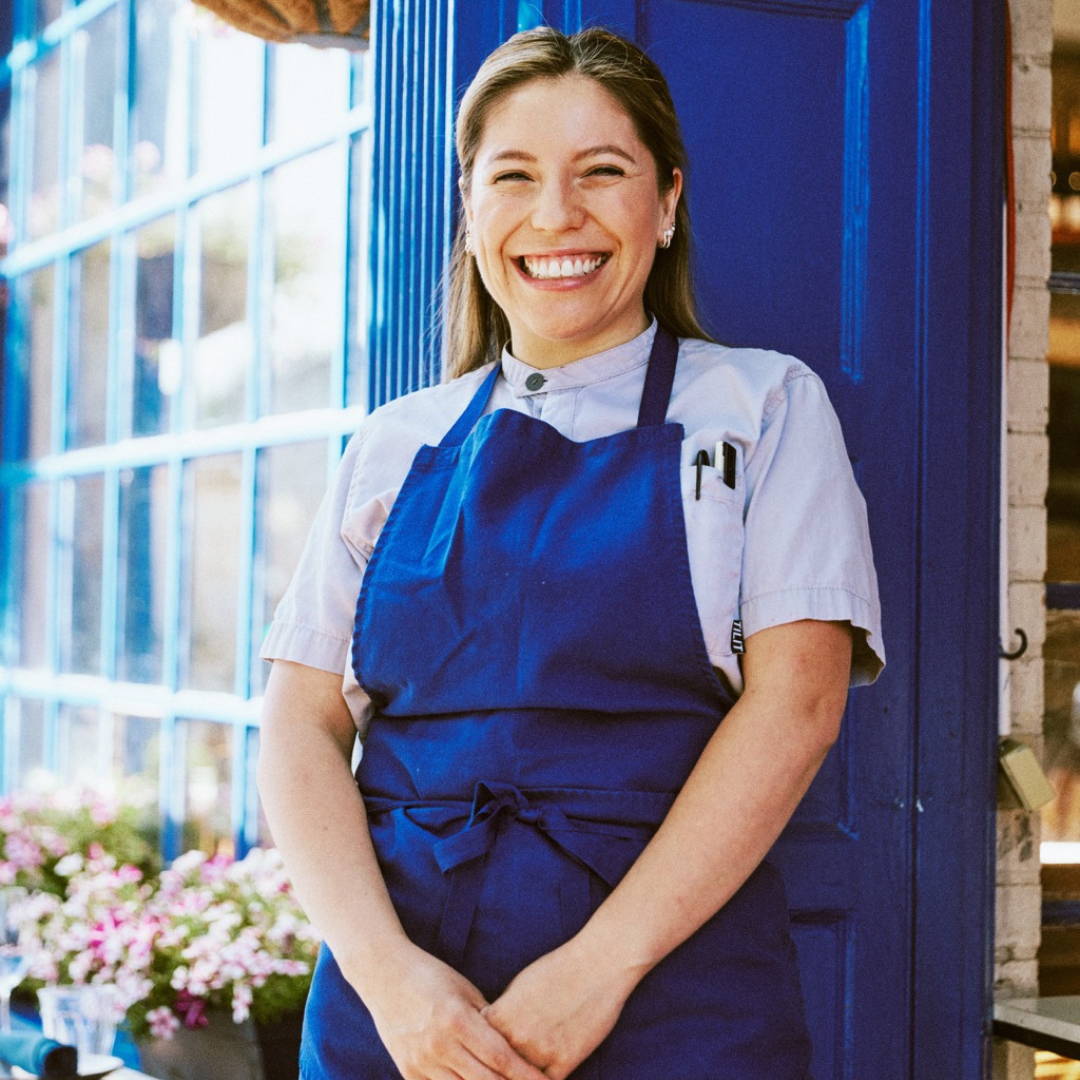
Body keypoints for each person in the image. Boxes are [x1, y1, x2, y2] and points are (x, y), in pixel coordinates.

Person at [257, 24, 885, 1080]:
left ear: (668, 201)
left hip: (674, 997)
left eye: (604, 172)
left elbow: (798, 708)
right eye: (514, 176)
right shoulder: (394, 443)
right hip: (405, 1015)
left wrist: (597, 970)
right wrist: (389, 978)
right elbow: (298, 728)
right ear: (471, 208)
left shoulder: (765, 406)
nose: (557, 215)